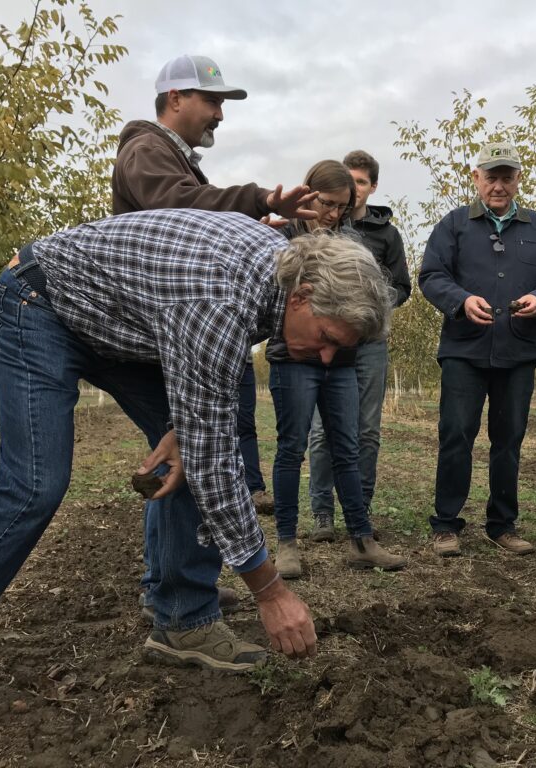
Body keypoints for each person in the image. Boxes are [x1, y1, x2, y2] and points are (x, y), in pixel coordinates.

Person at [0, 209, 393, 749]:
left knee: (195, 445)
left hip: (125, 324)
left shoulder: (271, 278)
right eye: (325, 339)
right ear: (302, 296)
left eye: (336, 350)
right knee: (33, 485)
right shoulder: (216, 302)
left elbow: (210, 400)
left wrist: (185, 425)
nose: (325, 358)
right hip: (42, 302)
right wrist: (270, 592)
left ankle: (184, 617)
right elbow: (213, 460)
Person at [111, 54, 317, 617]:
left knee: (174, 446)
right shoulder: (145, 150)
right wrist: (258, 202)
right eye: (213, 101)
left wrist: (255, 228)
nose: (220, 115)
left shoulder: (174, 156)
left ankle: (176, 585)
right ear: (175, 97)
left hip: (166, 325)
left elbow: (191, 210)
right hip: (168, 321)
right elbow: (176, 209)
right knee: (195, 446)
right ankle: (180, 595)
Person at [419, 141, 536, 558]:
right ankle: (446, 524)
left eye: (507, 177)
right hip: (463, 349)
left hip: (517, 350)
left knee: (508, 439)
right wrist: (461, 300)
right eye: (491, 177)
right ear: (476, 178)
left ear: (518, 179)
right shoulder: (453, 225)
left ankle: (502, 524)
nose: (499, 186)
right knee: (456, 435)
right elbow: (431, 275)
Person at [266, 160, 407, 577]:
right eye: (326, 203)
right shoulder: (281, 236)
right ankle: (287, 542)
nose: (331, 214)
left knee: (348, 446)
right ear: (307, 193)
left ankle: (362, 539)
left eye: (340, 208)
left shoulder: (351, 244)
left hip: (342, 362)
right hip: (293, 359)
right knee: (293, 447)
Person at [306, 150, 412, 542]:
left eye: (362, 182)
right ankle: (321, 513)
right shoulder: (321, 225)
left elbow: (403, 286)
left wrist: (368, 307)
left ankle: (360, 509)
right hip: (325, 343)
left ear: (373, 187)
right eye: (348, 183)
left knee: (367, 431)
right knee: (322, 432)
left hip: (369, 344)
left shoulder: (386, 234)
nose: (354, 190)